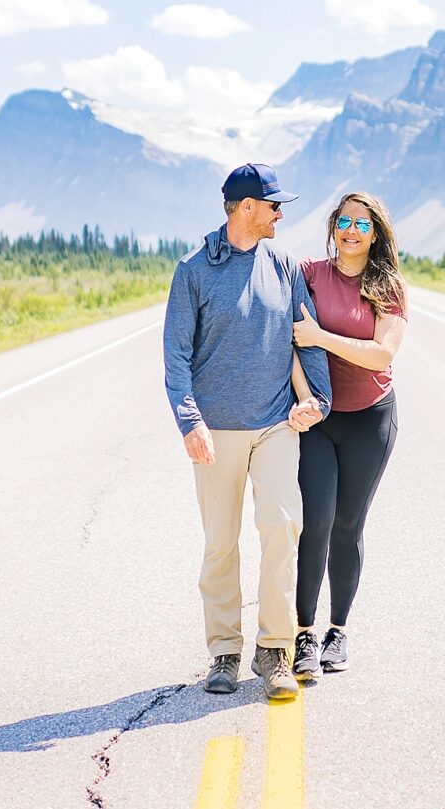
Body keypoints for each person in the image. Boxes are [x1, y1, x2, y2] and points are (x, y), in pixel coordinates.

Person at [163, 162, 331, 701]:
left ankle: (273, 650)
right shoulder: (193, 271)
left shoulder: (283, 265)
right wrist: (191, 422)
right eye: (273, 204)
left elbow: (305, 337)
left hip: (276, 423)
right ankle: (224, 651)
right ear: (246, 208)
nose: (281, 213)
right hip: (216, 429)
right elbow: (176, 355)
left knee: (283, 526)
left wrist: (317, 401)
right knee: (220, 543)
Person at [289, 192, 409, 680]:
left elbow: (382, 355)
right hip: (320, 418)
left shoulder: (388, 286)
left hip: (370, 419)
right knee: (315, 522)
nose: (352, 230)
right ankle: (304, 635)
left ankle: (338, 629)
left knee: (347, 526)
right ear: (333, 227)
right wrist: (305, 398)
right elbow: (289, 340)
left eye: (362, 223)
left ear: (375, 233)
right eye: (344, 220)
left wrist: (322, 338)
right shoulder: (310, 275)